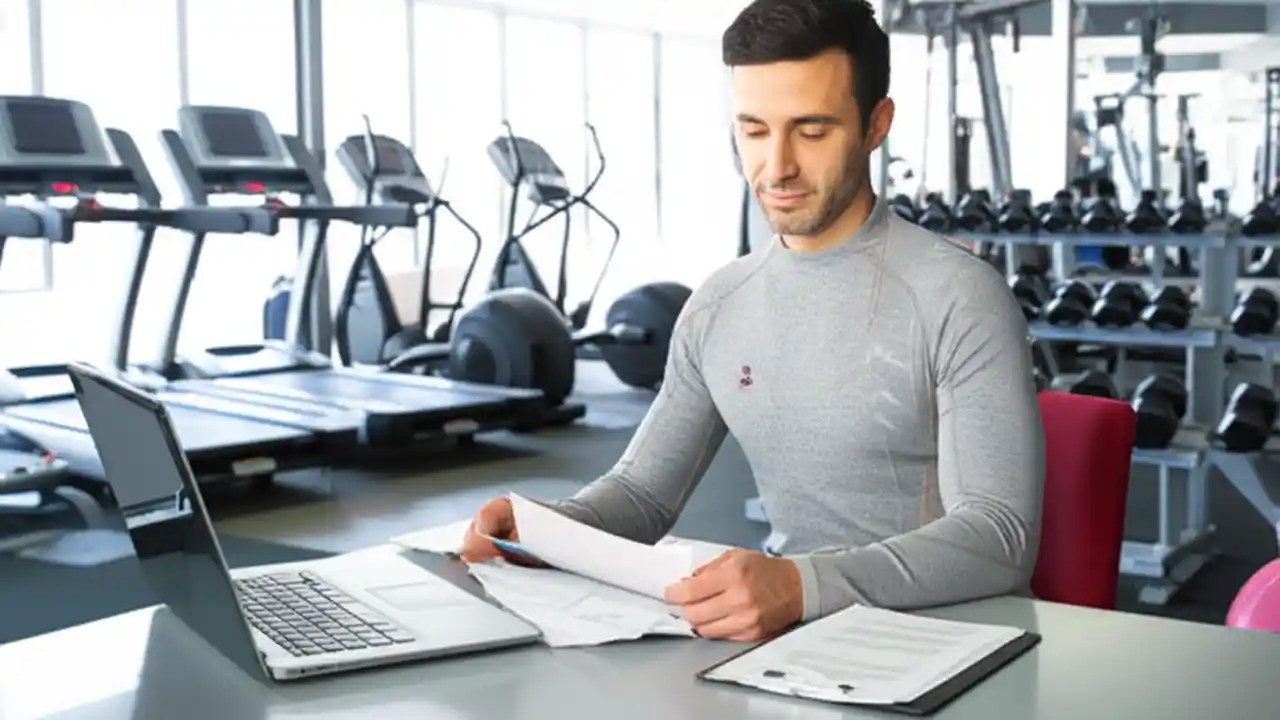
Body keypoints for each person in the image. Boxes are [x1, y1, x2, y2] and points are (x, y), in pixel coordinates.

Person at [461, 0, 1044, 642]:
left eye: (813, 130)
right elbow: (643, 494)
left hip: (957, 644)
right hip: (801, 644)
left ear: (876, 124)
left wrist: (800, 584)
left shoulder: (959, 296)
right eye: (754, 130)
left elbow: (998, 534)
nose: (778, 166)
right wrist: (546, 529)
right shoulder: (719, 304)